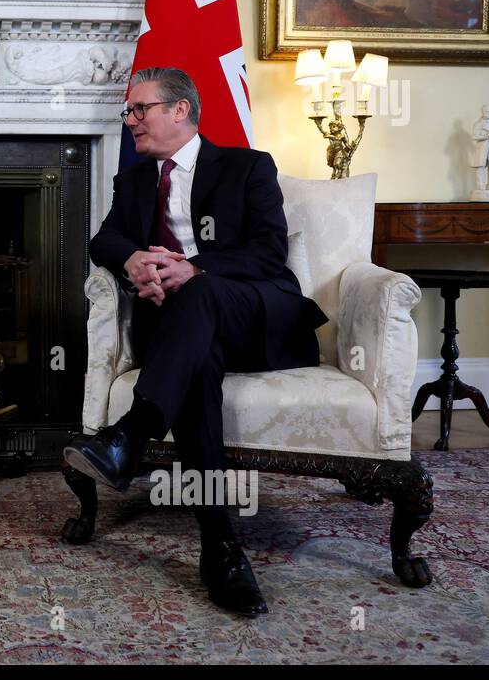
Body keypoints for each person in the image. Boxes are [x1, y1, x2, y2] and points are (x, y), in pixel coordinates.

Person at [65, 67, 327, 616]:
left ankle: (131, 432)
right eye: (129, 111)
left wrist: (194, 267)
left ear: (180, 110)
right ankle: (220, 546)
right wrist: (132, 257)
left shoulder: (246, 167)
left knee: (199, 294)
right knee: (195, 361)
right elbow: (104, 238)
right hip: (186, 334)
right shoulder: (136, 179)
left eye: (140, 109)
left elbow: (266, 254)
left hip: (251, 317)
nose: (130, 120)